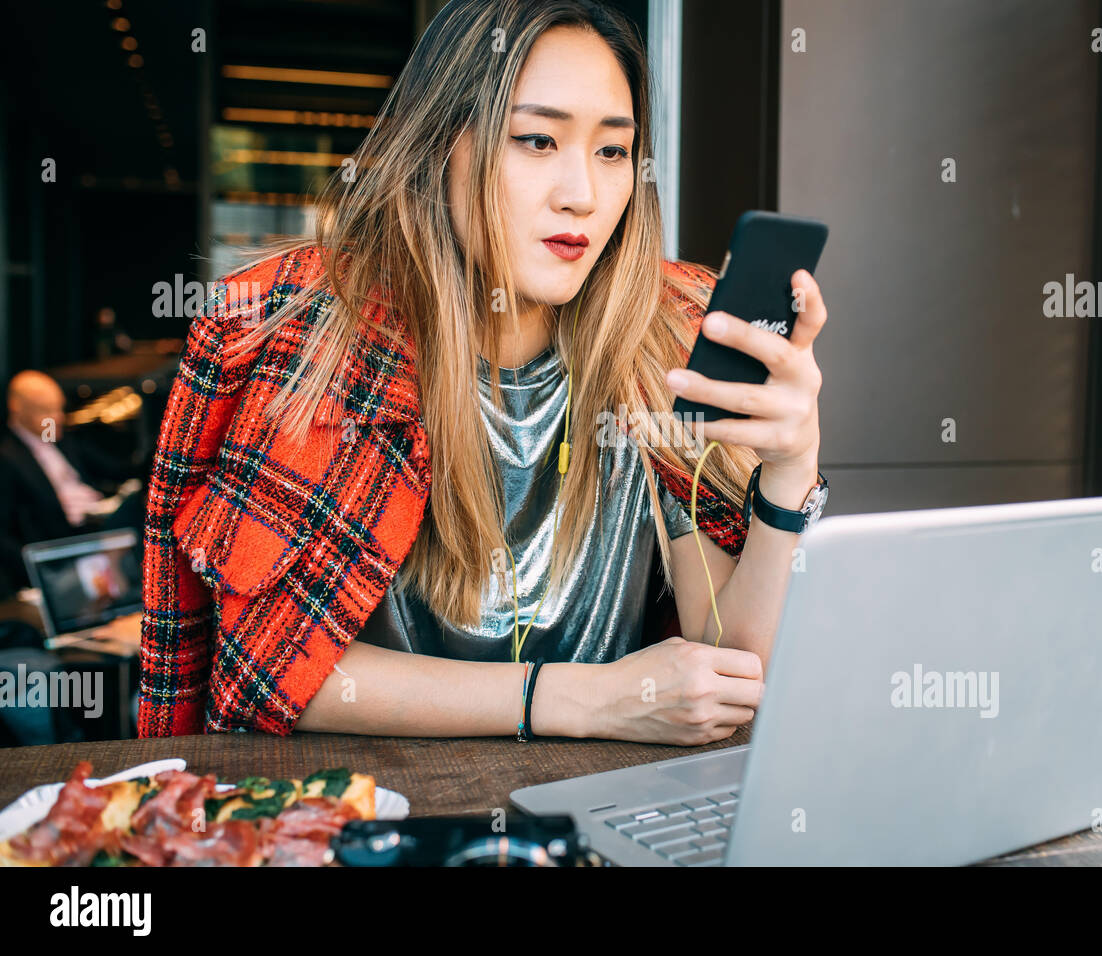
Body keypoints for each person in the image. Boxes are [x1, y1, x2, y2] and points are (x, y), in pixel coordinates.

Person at [137, 0, 829, 745]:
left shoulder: (668, 333)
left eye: (612, 151)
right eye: (537, 140)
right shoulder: (313, 330)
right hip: (377, 817)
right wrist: (576, 700)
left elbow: (729, 680)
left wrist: (789, 476)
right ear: (441, 146)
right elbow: (266, 673)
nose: (582, 195)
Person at [0, 370, 140, 596]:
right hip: (57, 559)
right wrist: (39, 574)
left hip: (98, 538)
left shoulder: (63, 441)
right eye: (46, 411)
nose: (56, 418)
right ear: (17, 407)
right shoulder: (7, 458)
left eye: (58, 409)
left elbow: (116, 470)